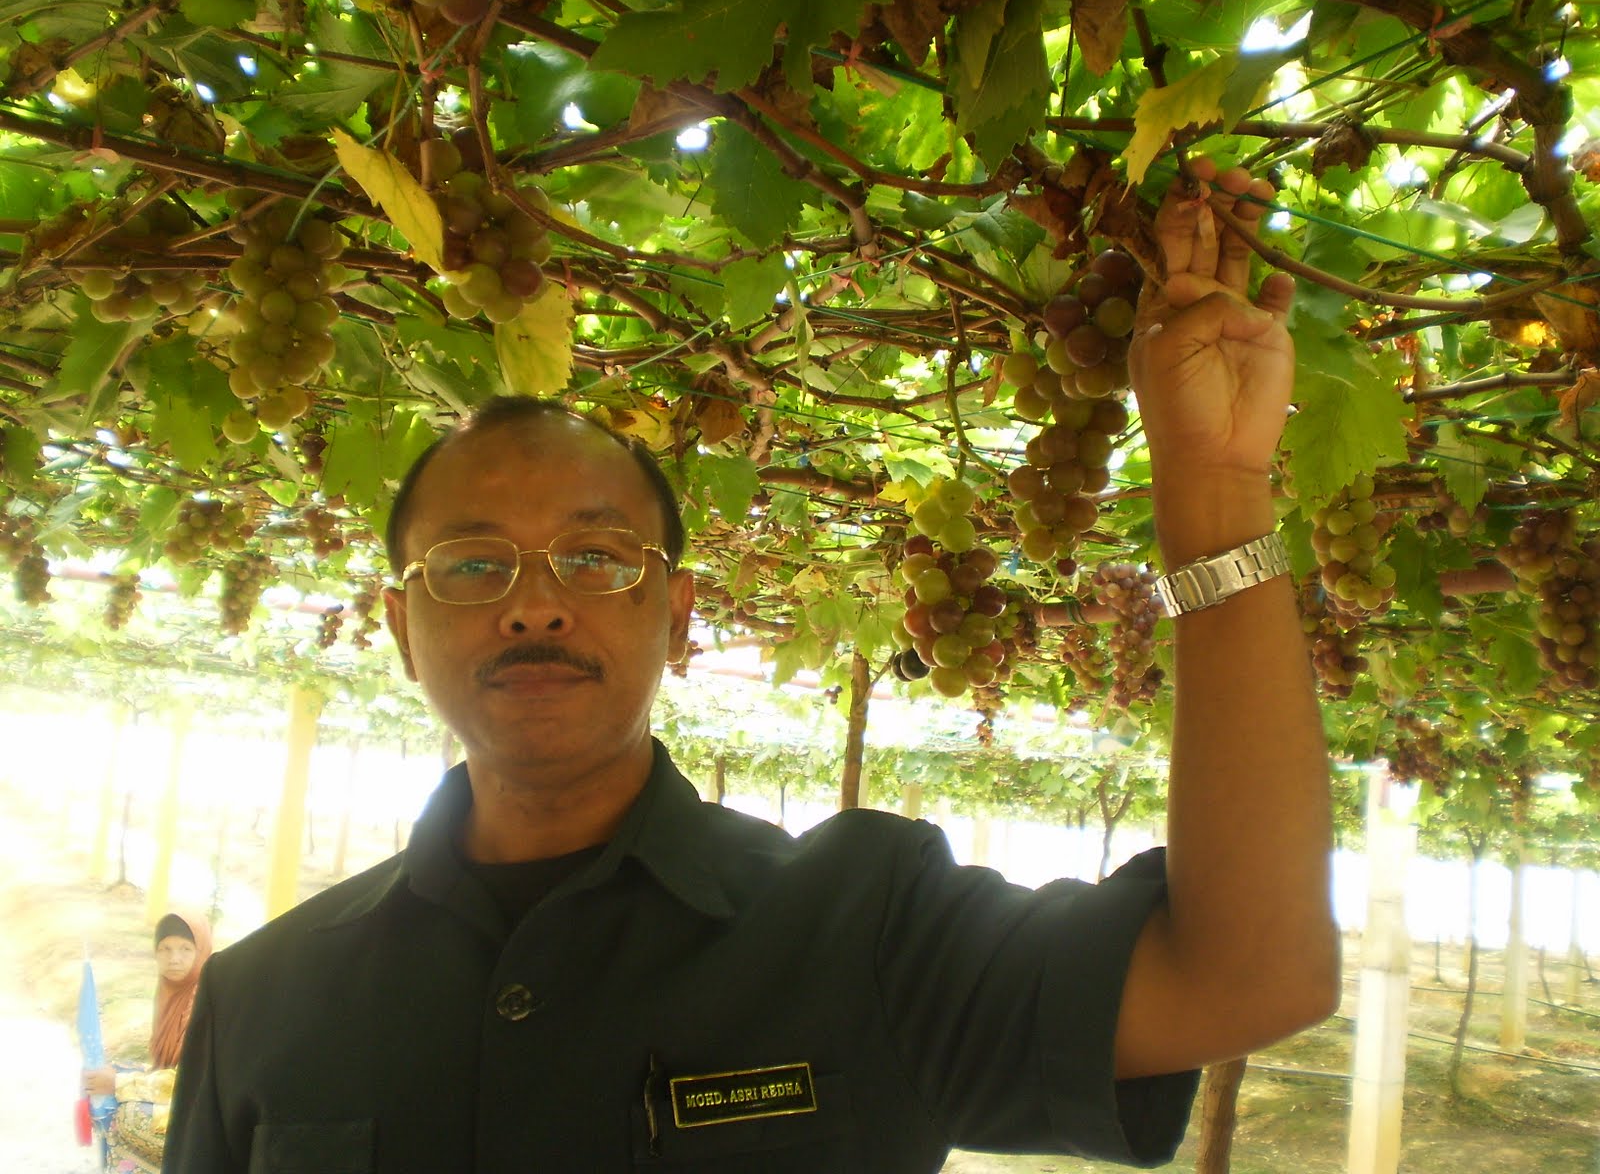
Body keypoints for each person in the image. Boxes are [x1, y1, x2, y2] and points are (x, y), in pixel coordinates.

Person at [164, 162, 1338, 1172]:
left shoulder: (871, 921)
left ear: (679, 615)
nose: (532, 608)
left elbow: (1250, 978)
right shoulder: (257, 999)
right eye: (471, 570)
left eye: (594, 557)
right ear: (397, 623)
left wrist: (1217, 491)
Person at [84, 910, 213, 1172]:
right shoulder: (171, 992)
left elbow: (190, 1079)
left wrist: (120, 1083)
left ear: (202, 951)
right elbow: (164, 1069)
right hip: (181, 1097)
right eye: (165, 949)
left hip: (205, 1117)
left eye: (186, 949)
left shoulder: (206, 1001)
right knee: (97, 1079)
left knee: (123, 1116)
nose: (173, 959)